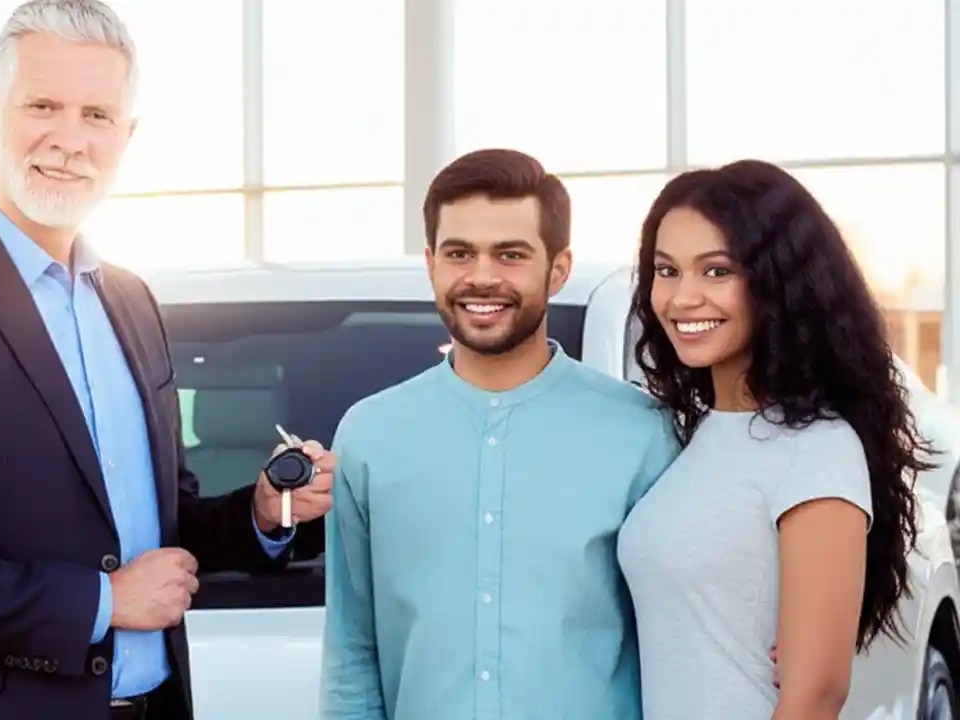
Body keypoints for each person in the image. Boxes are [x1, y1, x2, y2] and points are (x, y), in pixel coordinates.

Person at [0, 2, 334, 719]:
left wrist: (265, 514)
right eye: (43, 106)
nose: (69, 139)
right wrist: (102, 602)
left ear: (127, 134)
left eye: (97, 115)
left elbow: (158, 531)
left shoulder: (128, 299)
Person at [319, 148, 680, 719]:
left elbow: (677, 646)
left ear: (557, 269)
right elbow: (353, 650)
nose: (482, 277)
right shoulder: (369, 435)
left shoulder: (642, 434)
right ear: (431, 262)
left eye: (510, 255)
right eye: (460, 253)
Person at [616, 159, 933, 719]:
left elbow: (815, 696)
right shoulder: (701, 435)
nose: (682, 298)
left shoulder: (817, 450)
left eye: (716, 271)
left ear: (778, 282)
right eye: (667, 270)